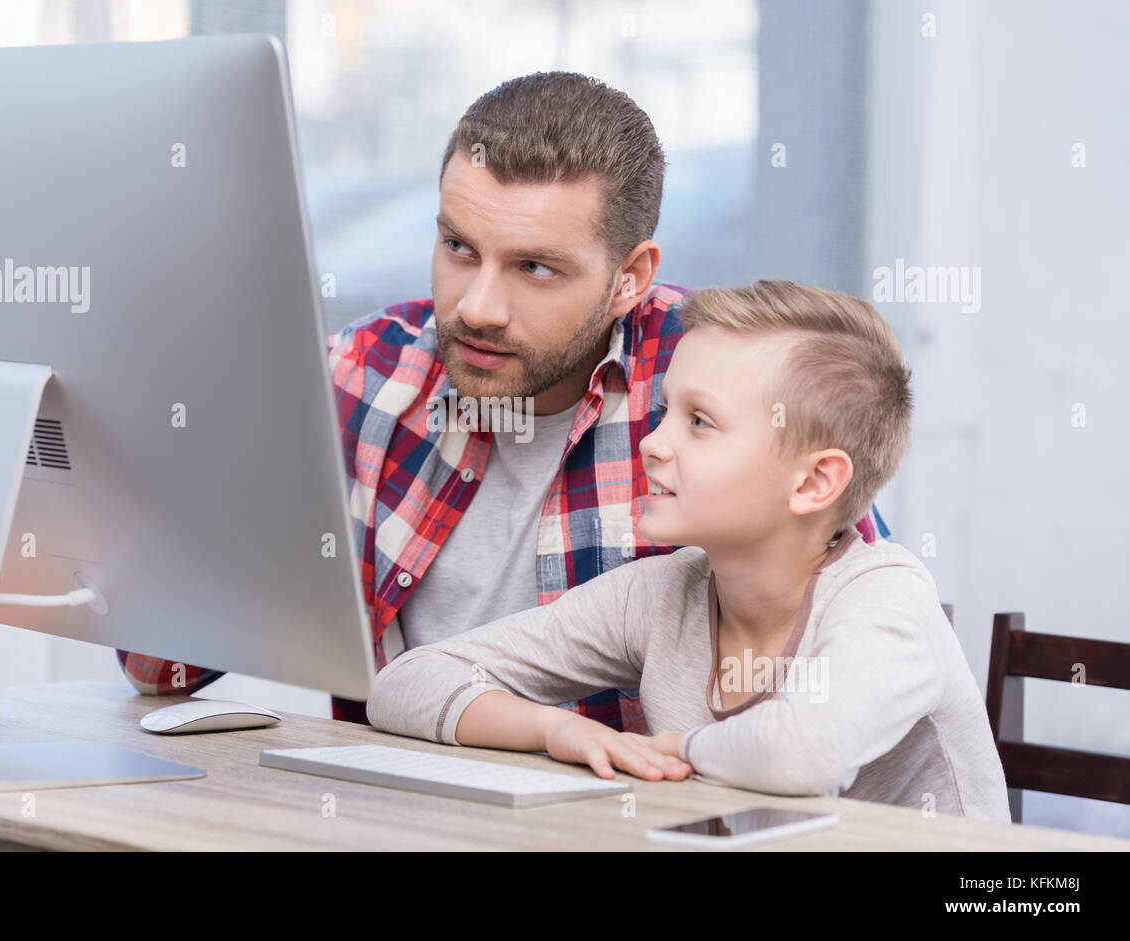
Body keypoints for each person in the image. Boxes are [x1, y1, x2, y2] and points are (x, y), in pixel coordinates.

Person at [118, 73, 888, 730]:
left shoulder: (725, 383)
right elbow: (159, 670)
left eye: (536, 268)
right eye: (459, 248)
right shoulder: (361, 378)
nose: (477, 307)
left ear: (632, 275)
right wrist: (205, 499)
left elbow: (866, 657)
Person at [366, 281, 1011, 821]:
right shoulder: (659, 595)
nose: (653, 442)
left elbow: (803, 752)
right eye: (667, 409)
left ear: (814, 482)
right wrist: (555, 728)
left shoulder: (887, 597)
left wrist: (677, 748)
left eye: (700, 422)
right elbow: (404, 683)